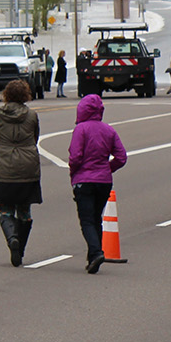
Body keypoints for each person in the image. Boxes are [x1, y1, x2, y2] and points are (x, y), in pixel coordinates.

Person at [68, 93, 127, 273]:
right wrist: (107, 168)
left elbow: (76, 157)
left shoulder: (81, 129)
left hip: (84, 180)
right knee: (95, 219)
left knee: (86, 220)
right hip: (103, 180)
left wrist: (74, 171)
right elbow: (121, 157)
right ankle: (93, 257)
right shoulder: (109, 130)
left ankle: (95, 252)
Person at [0, 79, 42, 267]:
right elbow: (35, 137)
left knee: (5, 209)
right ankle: (20, 248)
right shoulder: (32, 116)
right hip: (27, 166)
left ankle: (11, 237)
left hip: (4, 166)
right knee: (24, 210)